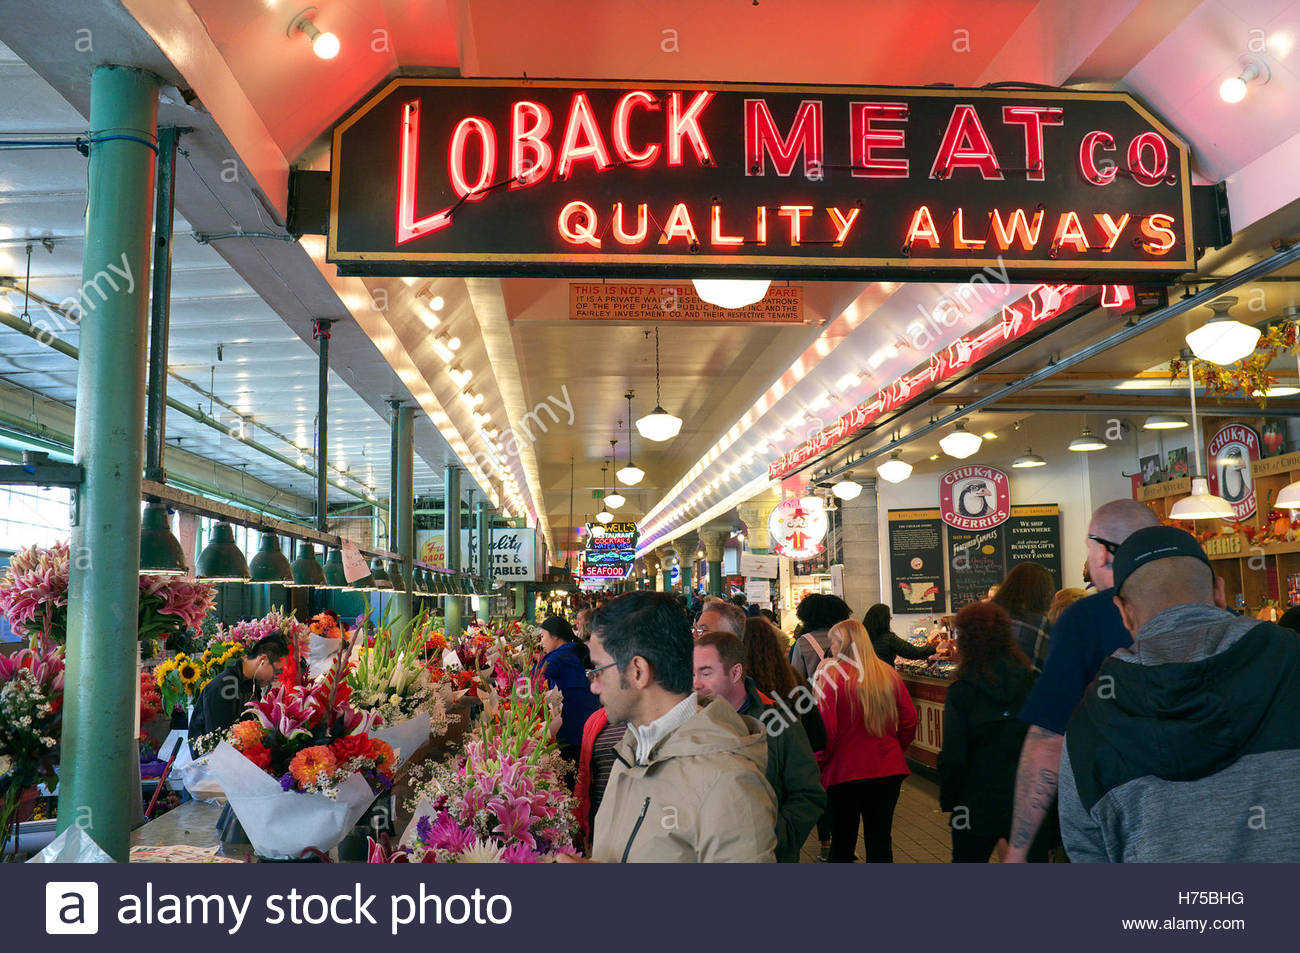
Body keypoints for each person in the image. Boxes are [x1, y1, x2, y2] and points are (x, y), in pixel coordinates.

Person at [1059, 526, 1300, 862]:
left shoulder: (1091, 720)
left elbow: (1087, 852)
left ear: (1123, 611)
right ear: (1219, 592)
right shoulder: (1291, 660)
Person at [1002, 500, 1159, 863]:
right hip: (1219, 824)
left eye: (1088, 548)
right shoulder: (1217, 613)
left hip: (1117, 826)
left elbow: (1048, 742)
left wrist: (1018, 850)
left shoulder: (1084, 620)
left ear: (1102, 552)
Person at [580, 591, 777, 862]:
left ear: (638, 671)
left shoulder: (727, 782)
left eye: (598, 670)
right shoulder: (630, 753)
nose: (593, 685)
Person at [693, 630, 825, 862]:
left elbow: (807, 792)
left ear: (735, 672)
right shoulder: (688, 723)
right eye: (692, 673)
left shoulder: (780, 723)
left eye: (705, 673)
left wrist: (775, 839)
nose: (695, 684)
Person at [938, 602, 1048, 862]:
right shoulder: (1032, 681)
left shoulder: (962, 690)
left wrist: (950, 800)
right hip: (1027, 800)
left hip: (975, 800)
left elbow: (954, 755)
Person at [816, 619, 917, 862]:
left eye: (833, 642)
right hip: (887, 770)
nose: (831, 648)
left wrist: (819, 763)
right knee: (880, 839)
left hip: (844, 772)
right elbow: (910, 719)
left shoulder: (832, 678)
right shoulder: (887, 673)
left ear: (844, 644)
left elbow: (826, 731)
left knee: (842, 840)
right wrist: (895, 748)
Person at [188, 634, 288, 739]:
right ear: (262, 660)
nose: (277, 678)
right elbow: (219, 740)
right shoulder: (224, 687)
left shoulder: (250, 683)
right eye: (276, 672)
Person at [534, 616, 600, 765]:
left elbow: (532, 677)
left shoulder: (558, 658)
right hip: (586, 725)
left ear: (555, 636)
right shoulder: (572, 651)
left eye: (543, 636)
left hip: (571, 729)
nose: (541, 641)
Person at [574, 707, 627, 849]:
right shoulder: (595, 720)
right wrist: (578, 821)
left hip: (634, 821)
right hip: (600, 822)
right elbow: (584, 774)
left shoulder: (648, 716)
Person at [992, 562, 1054, 669]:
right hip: (1026, 684)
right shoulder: (1040, 625)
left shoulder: (988, 617)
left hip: (983, 683)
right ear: (1043, 594)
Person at [789, 593, 852, 681]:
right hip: (847, 690)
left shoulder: (803, 642)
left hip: (816, 693)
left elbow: (796, 678)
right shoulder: (848, 637)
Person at [862, 603, 935, 668]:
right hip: (885, 676)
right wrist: (933, 649)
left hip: (866, 678)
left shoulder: (862, 636)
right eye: (889, 618)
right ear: (884, 620)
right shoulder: (888, 638)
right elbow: (912, 652)